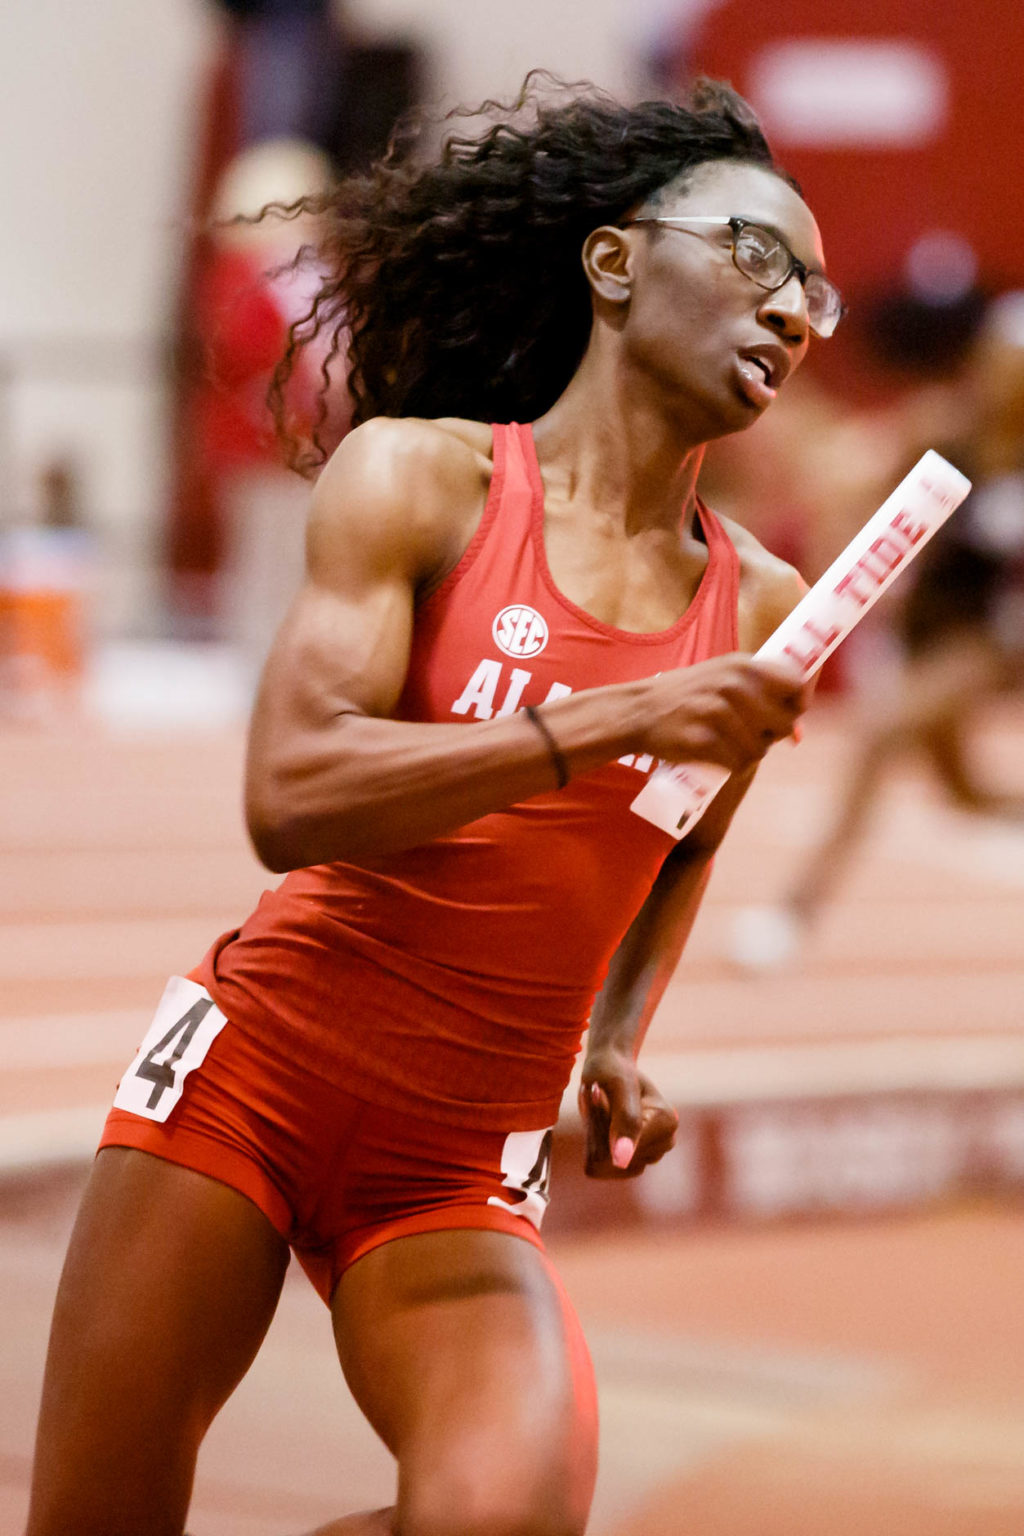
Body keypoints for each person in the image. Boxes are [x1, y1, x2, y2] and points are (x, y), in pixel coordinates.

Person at [26, 74, 841, 1536]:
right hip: (252, 1084)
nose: (792, 310)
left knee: (507, 1514)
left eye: (817, 298)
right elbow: (291, 792)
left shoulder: (759, 605)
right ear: (615, 260)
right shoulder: (426, 480)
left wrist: (619, 1032)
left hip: (459, 1163)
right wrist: (620, 711)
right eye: (759, 257)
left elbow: (685, 823)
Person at [730, 289, 1024, 972]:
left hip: (990, 642)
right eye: (1003, 363)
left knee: (882, 735)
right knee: (967, 794)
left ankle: (791, 914)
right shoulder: (946, 429)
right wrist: (855, 581)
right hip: (927, 631)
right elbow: (862, 505)